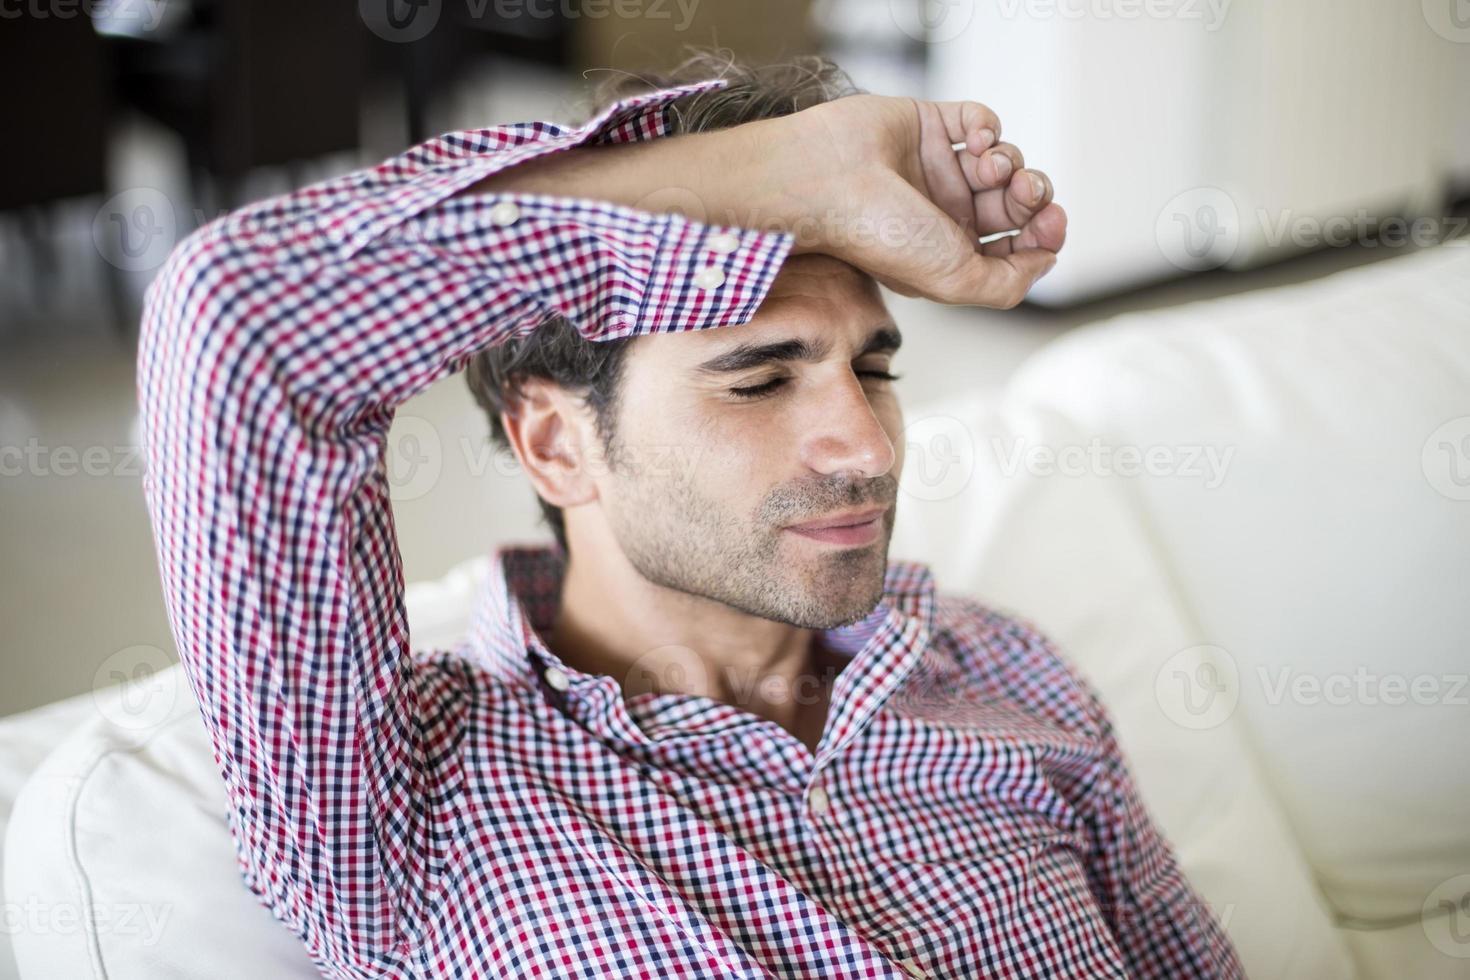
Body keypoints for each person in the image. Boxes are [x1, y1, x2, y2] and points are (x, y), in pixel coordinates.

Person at [138, 53, 1242, 979]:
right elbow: (236, 320)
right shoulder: (405, 799)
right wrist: (781, 177)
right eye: (759, 381)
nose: (866, 446)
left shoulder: (1012, 675)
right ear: (556, 442)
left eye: (874, 369)